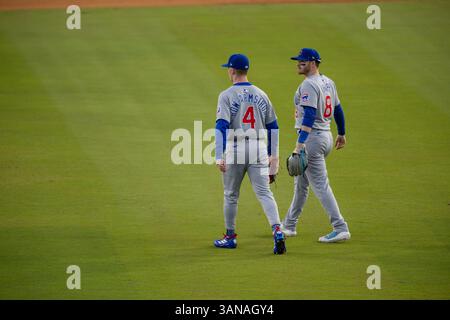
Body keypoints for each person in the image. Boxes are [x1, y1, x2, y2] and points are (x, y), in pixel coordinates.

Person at [214, 53, 286, 254]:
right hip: (259, 148)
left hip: (235, 149)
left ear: (231, 71)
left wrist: (219, 155)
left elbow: (221, 125)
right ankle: (278, 230)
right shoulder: (262, 94)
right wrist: (274, 159)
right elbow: (274, 127)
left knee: (230, 195)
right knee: (264, 193)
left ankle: (230, 237)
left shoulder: (226, 95)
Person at [281, 48, 351, 243]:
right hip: (326, 135)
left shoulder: (309, 85)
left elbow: (310, 115)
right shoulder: (328, 82)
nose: (298, 63)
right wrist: (342, 133)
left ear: (313, 62)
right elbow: (338, 108)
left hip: (312, 139)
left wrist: (299, 144)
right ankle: (289, 224)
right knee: (301, 183)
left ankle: (340, 227)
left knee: (320, 185)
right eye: (298, 60)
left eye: (302, 61)